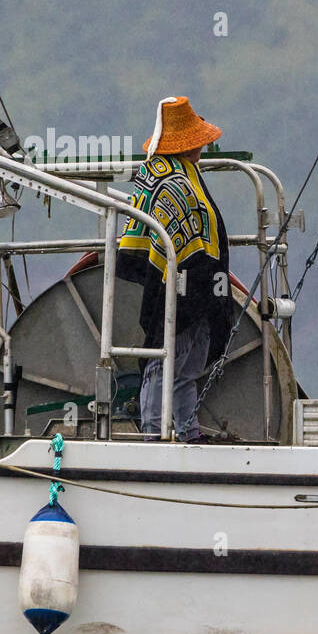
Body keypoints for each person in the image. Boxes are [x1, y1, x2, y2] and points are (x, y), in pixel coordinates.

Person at [116, 96, 230, 440]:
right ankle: (153, 434)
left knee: (186, 366)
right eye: (197, 142)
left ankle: (188, 432)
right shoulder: (168, 178)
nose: (201, 148)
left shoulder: (185, 173)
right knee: (163, 361)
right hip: (176, 284)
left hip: (196, 281)